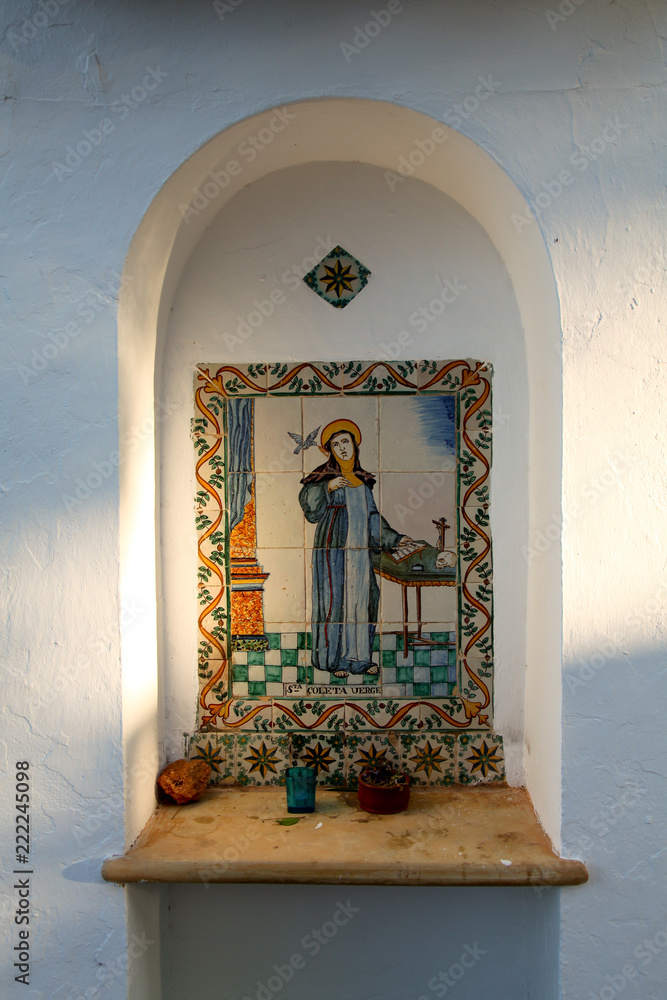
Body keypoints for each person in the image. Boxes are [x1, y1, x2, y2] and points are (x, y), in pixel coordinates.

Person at [298, 419, 412, 678]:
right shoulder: (324, 477)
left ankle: (360, 660)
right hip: (334, 552)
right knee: (334, 602)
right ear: (330, 451)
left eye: (345, 441)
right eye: (335, 444)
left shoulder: (363, 482)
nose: (342, 448)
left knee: (362, 602)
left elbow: (373, 519)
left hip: (360, 556)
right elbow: (309, 506)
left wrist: (395, 538)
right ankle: (333, 660)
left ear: (354, 444)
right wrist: (328, 486)